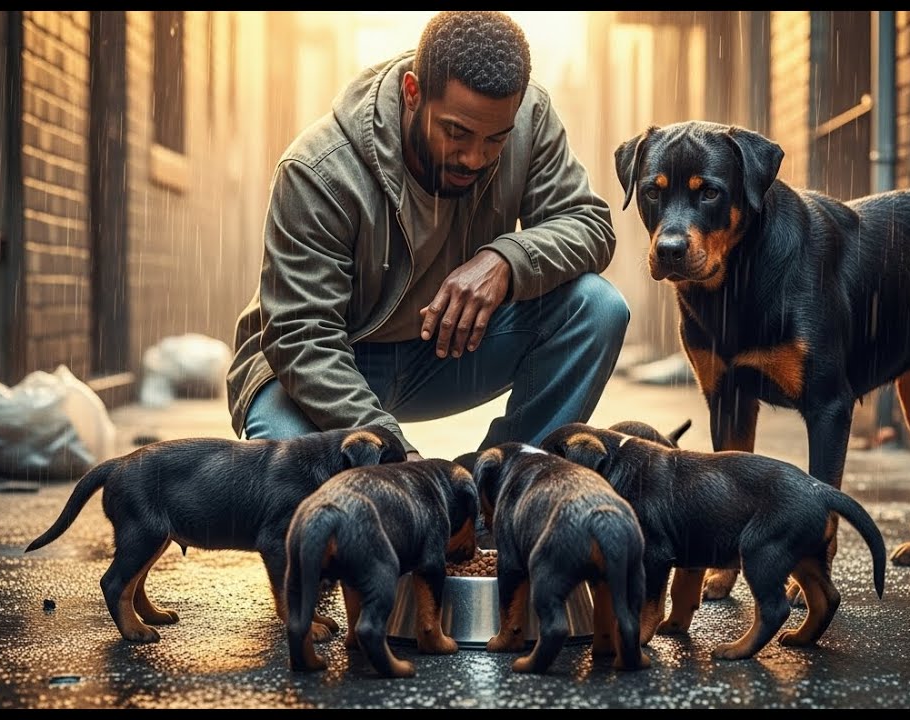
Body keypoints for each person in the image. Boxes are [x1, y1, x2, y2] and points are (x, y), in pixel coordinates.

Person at [226, 11, 629, 463]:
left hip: (445, 351)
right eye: (456, 133)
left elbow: (589, 223)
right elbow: (300, 336)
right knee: (302, 499)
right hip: (325, 364)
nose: (475, 157)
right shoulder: (318, 170)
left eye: (495, 139)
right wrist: (400, 461)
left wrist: (506, 259)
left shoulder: (530, 117)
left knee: (597, 307)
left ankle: (498, 494)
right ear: (412, 93)